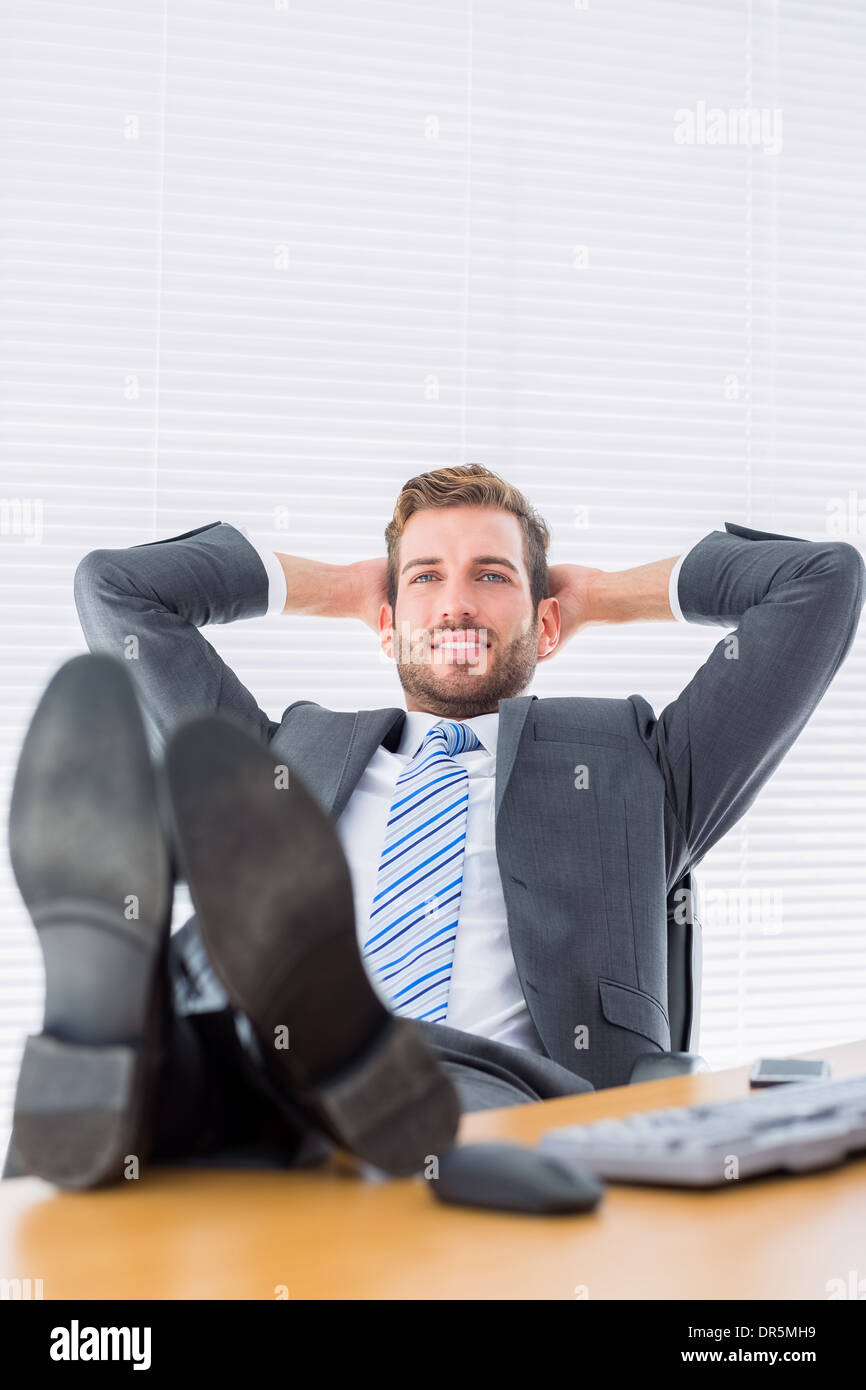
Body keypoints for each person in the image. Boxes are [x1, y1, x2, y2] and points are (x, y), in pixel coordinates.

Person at [4, 465, 864, 1188]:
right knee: (176, 1084)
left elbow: (821, 579)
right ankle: (129, 1032)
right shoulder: (287, 752)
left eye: (492, 576)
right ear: (386, 618)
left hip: (504, 1096)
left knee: (408, 1110)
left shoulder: (640, 761)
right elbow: (117, 588)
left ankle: (255, 1057)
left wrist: (604, 596)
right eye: (424, 578)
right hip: (269, 1077)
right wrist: (339, 589)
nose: (457, 604)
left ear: (544, 616)